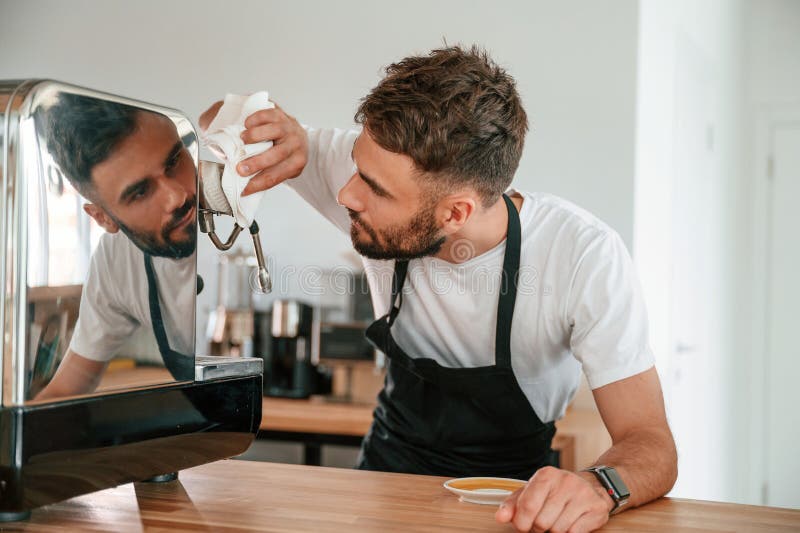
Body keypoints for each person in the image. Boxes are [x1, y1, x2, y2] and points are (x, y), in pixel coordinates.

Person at [200, 44, 677, 532]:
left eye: (372, 188)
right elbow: (218, 115)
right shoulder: (375, 167)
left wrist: (600, 486)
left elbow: (651, 442)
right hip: (384, 487)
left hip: (511, 506)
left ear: (456, 213)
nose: (345, 193)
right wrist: (264, 128)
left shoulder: (582, 255)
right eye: (354, 167)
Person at [35, 93, 198, 400]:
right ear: (102, 217)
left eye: (174, 161)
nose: (177, 197)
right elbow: (67, 389)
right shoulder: (117, 261)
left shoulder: (242, 205)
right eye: (140, 192)